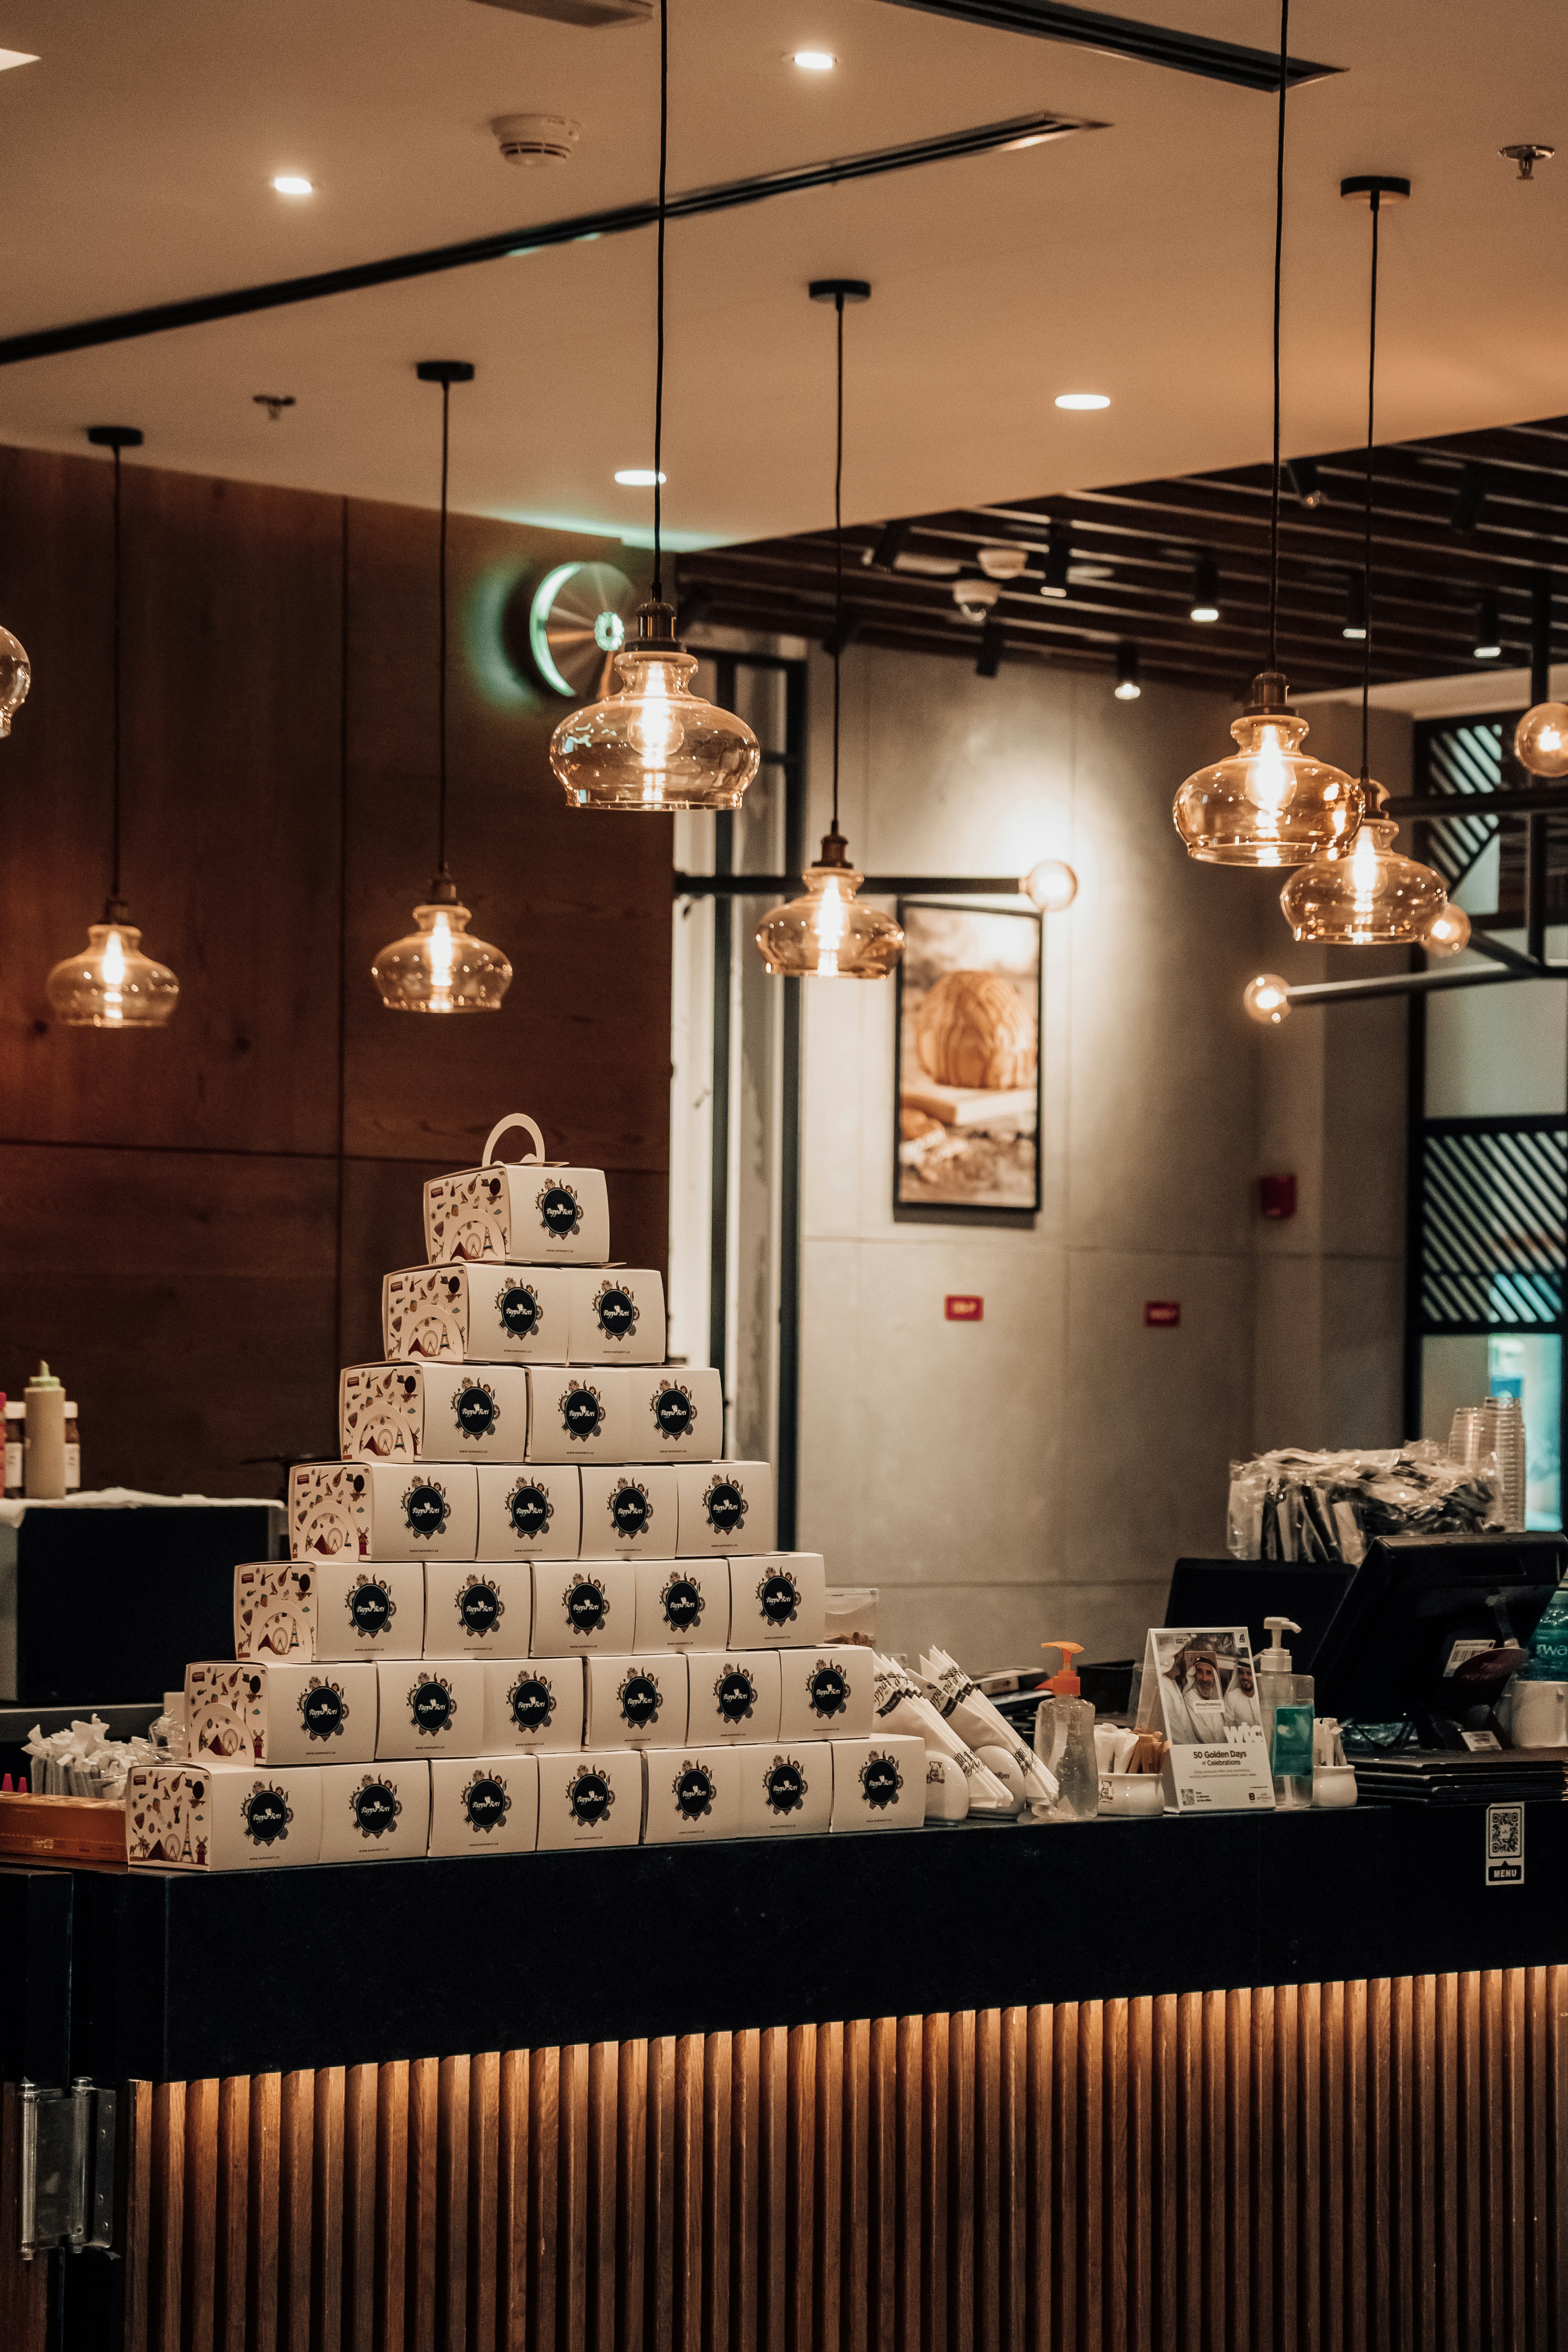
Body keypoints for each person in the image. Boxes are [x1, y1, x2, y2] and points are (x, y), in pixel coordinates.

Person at [1181, 1647, 1234, 1745]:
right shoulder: (1191, 1697)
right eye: (1200, 1672)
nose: (1205, 1679)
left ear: (1214, 1677)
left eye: (1209, 1673)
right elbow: (1202, 1733)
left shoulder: (1216, 1699)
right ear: (1195, 1674)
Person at [1224, 1652, 1261, 1729]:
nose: (1245, 1677)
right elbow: (1228, 1726)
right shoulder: (1231, 1697)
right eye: (1242, 1673)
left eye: (1249, 1673)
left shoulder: (1262, 1695)